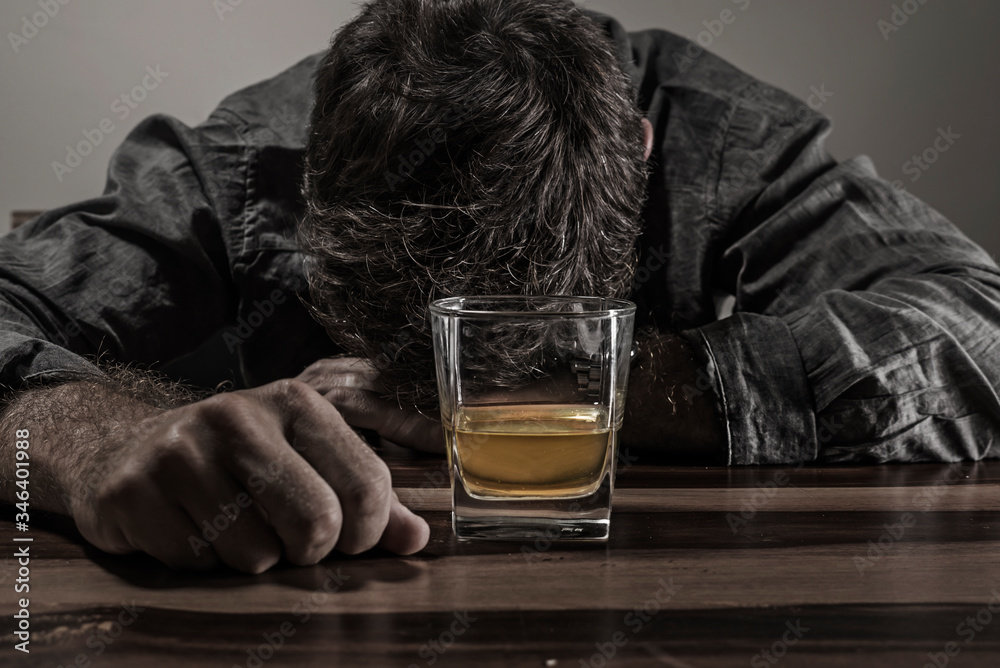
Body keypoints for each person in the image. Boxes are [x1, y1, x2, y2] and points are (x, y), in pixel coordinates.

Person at [1, 0, 998, 573]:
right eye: (409, 339)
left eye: (529, 331)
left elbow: (977, 330)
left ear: (640, 154)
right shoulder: (235, 160)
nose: (459, 398)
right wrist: (99, 441)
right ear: (306, 178)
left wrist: (603, 387)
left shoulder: (725, 136)